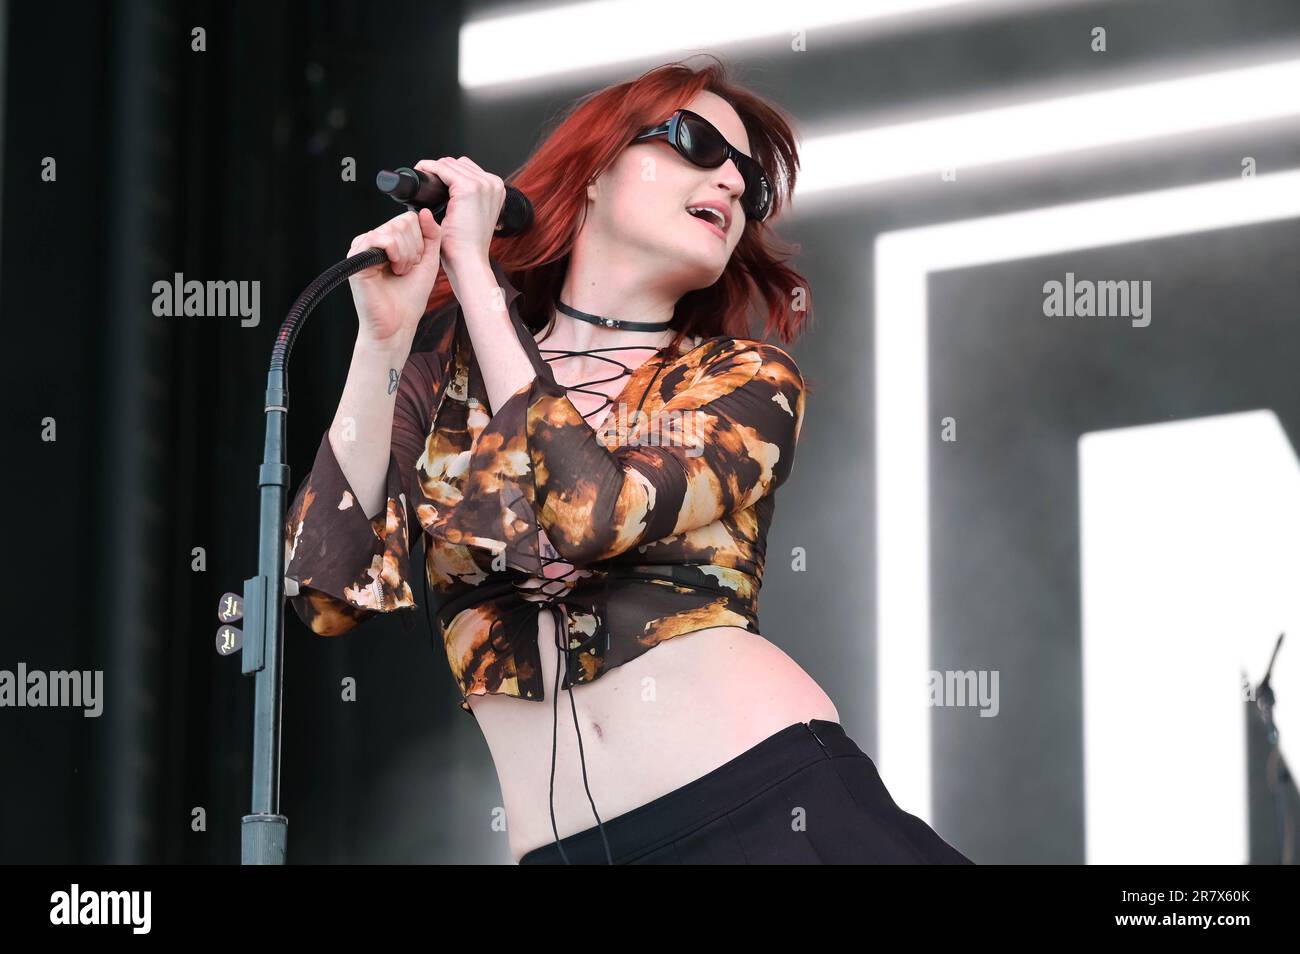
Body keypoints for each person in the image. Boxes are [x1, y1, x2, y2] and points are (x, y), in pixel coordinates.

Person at [282, 56, 973, 865]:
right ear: (595, 174)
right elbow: (323, 593)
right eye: (694, 143)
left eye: (747, 184)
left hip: (766, 805)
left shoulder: (738, 382)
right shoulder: (446, 391)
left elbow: (591, 514)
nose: (728, 184)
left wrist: (474, 273)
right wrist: (386, 341)